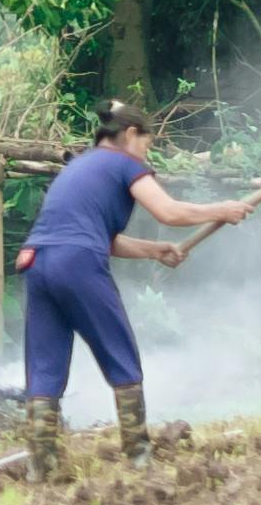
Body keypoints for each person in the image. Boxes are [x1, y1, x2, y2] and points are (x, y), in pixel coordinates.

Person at [16, 98, 245, 464]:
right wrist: (223, 210)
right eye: (146, 145)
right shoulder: (124, 164)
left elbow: (97, 236)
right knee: (119, 351)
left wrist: (156, 250)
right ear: (131, 134)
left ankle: (42, 466)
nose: (144, 154)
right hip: (78, 263)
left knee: (45, 365)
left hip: (37, 261)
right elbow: (169, 211)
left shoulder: (78, 167)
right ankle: (138, 455)